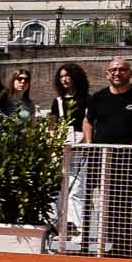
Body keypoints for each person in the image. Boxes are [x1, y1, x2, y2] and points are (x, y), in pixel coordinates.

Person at [82, 59, 132, 258]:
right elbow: (87, 121)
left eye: (122, 70)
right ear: (107, 74)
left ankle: (125, 247)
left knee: (131, 205)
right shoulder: (98, 97)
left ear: (130, 73)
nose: (118, 73)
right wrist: (90, 142)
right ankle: (96, 243)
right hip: (102, 161)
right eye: (113, 70)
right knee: (102, 202)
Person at [51, 63, 93, 250]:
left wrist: (83, 140)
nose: (64, 79)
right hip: (61, 146)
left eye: (67, 75)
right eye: (61, 76)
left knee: (77, 189)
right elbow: (53, 124)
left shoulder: (87, 99)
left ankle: (78, 230)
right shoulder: (58, 101)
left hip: (79, 146)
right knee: (58, 189)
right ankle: (60, 227)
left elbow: (89, 122)